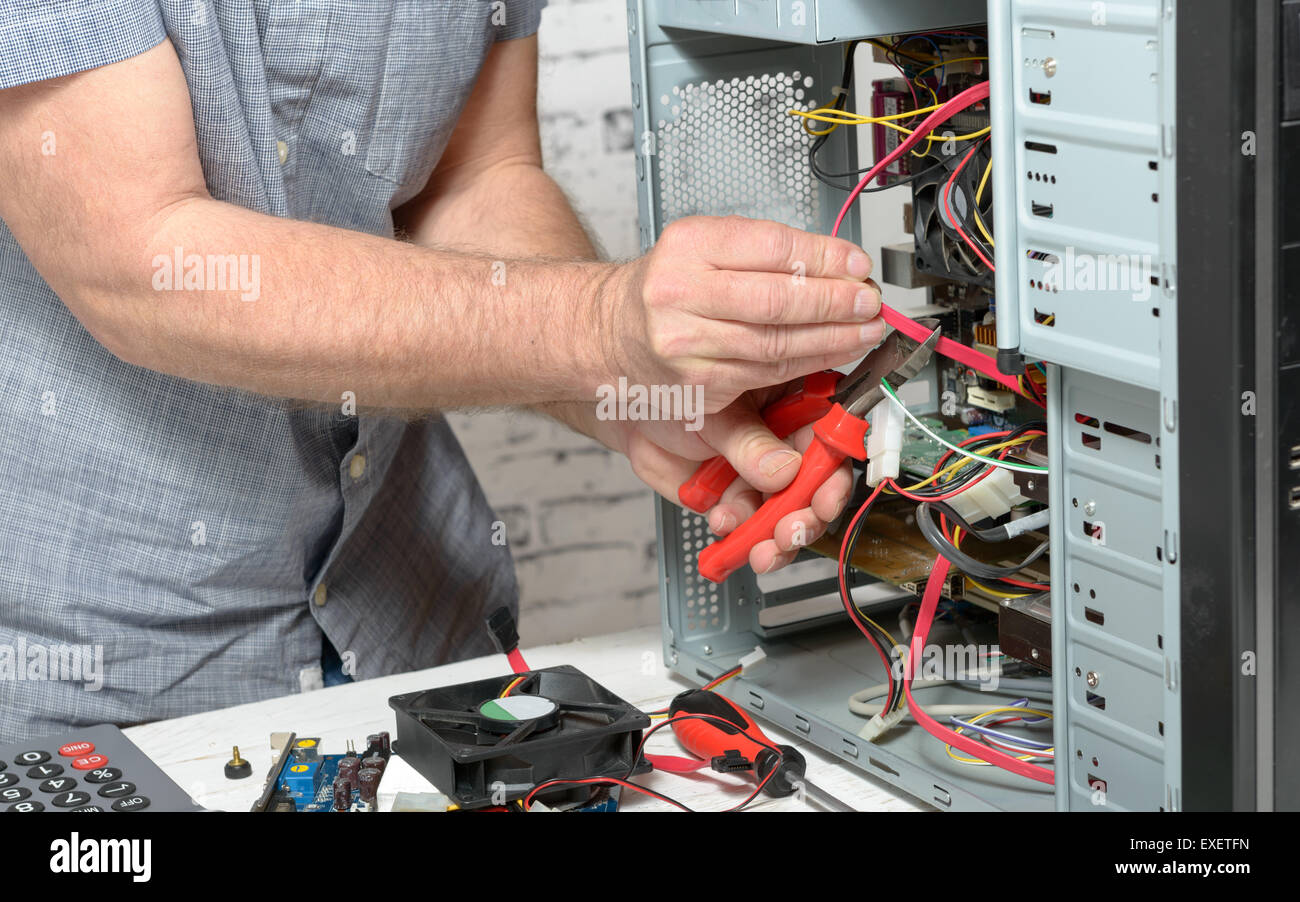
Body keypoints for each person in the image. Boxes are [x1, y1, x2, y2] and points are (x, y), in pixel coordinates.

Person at [0, 0, 882, 741]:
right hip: (107, 665)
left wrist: (626, 395)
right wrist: (600, 325)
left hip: (415, 611)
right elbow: (140, 258)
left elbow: (475, 178)